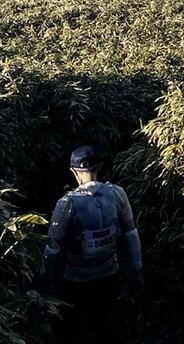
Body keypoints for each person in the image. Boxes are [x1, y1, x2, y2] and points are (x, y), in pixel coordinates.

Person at [44, 146, 144, 342]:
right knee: (103, 323)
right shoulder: (117, 194)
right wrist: (137, 267)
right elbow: (131, 232)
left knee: (69, 329)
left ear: (74, 172)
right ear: (99, 167)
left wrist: (48, 278)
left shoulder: (67, 203)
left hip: (75, 277)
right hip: (108, 272)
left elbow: (52, 248)